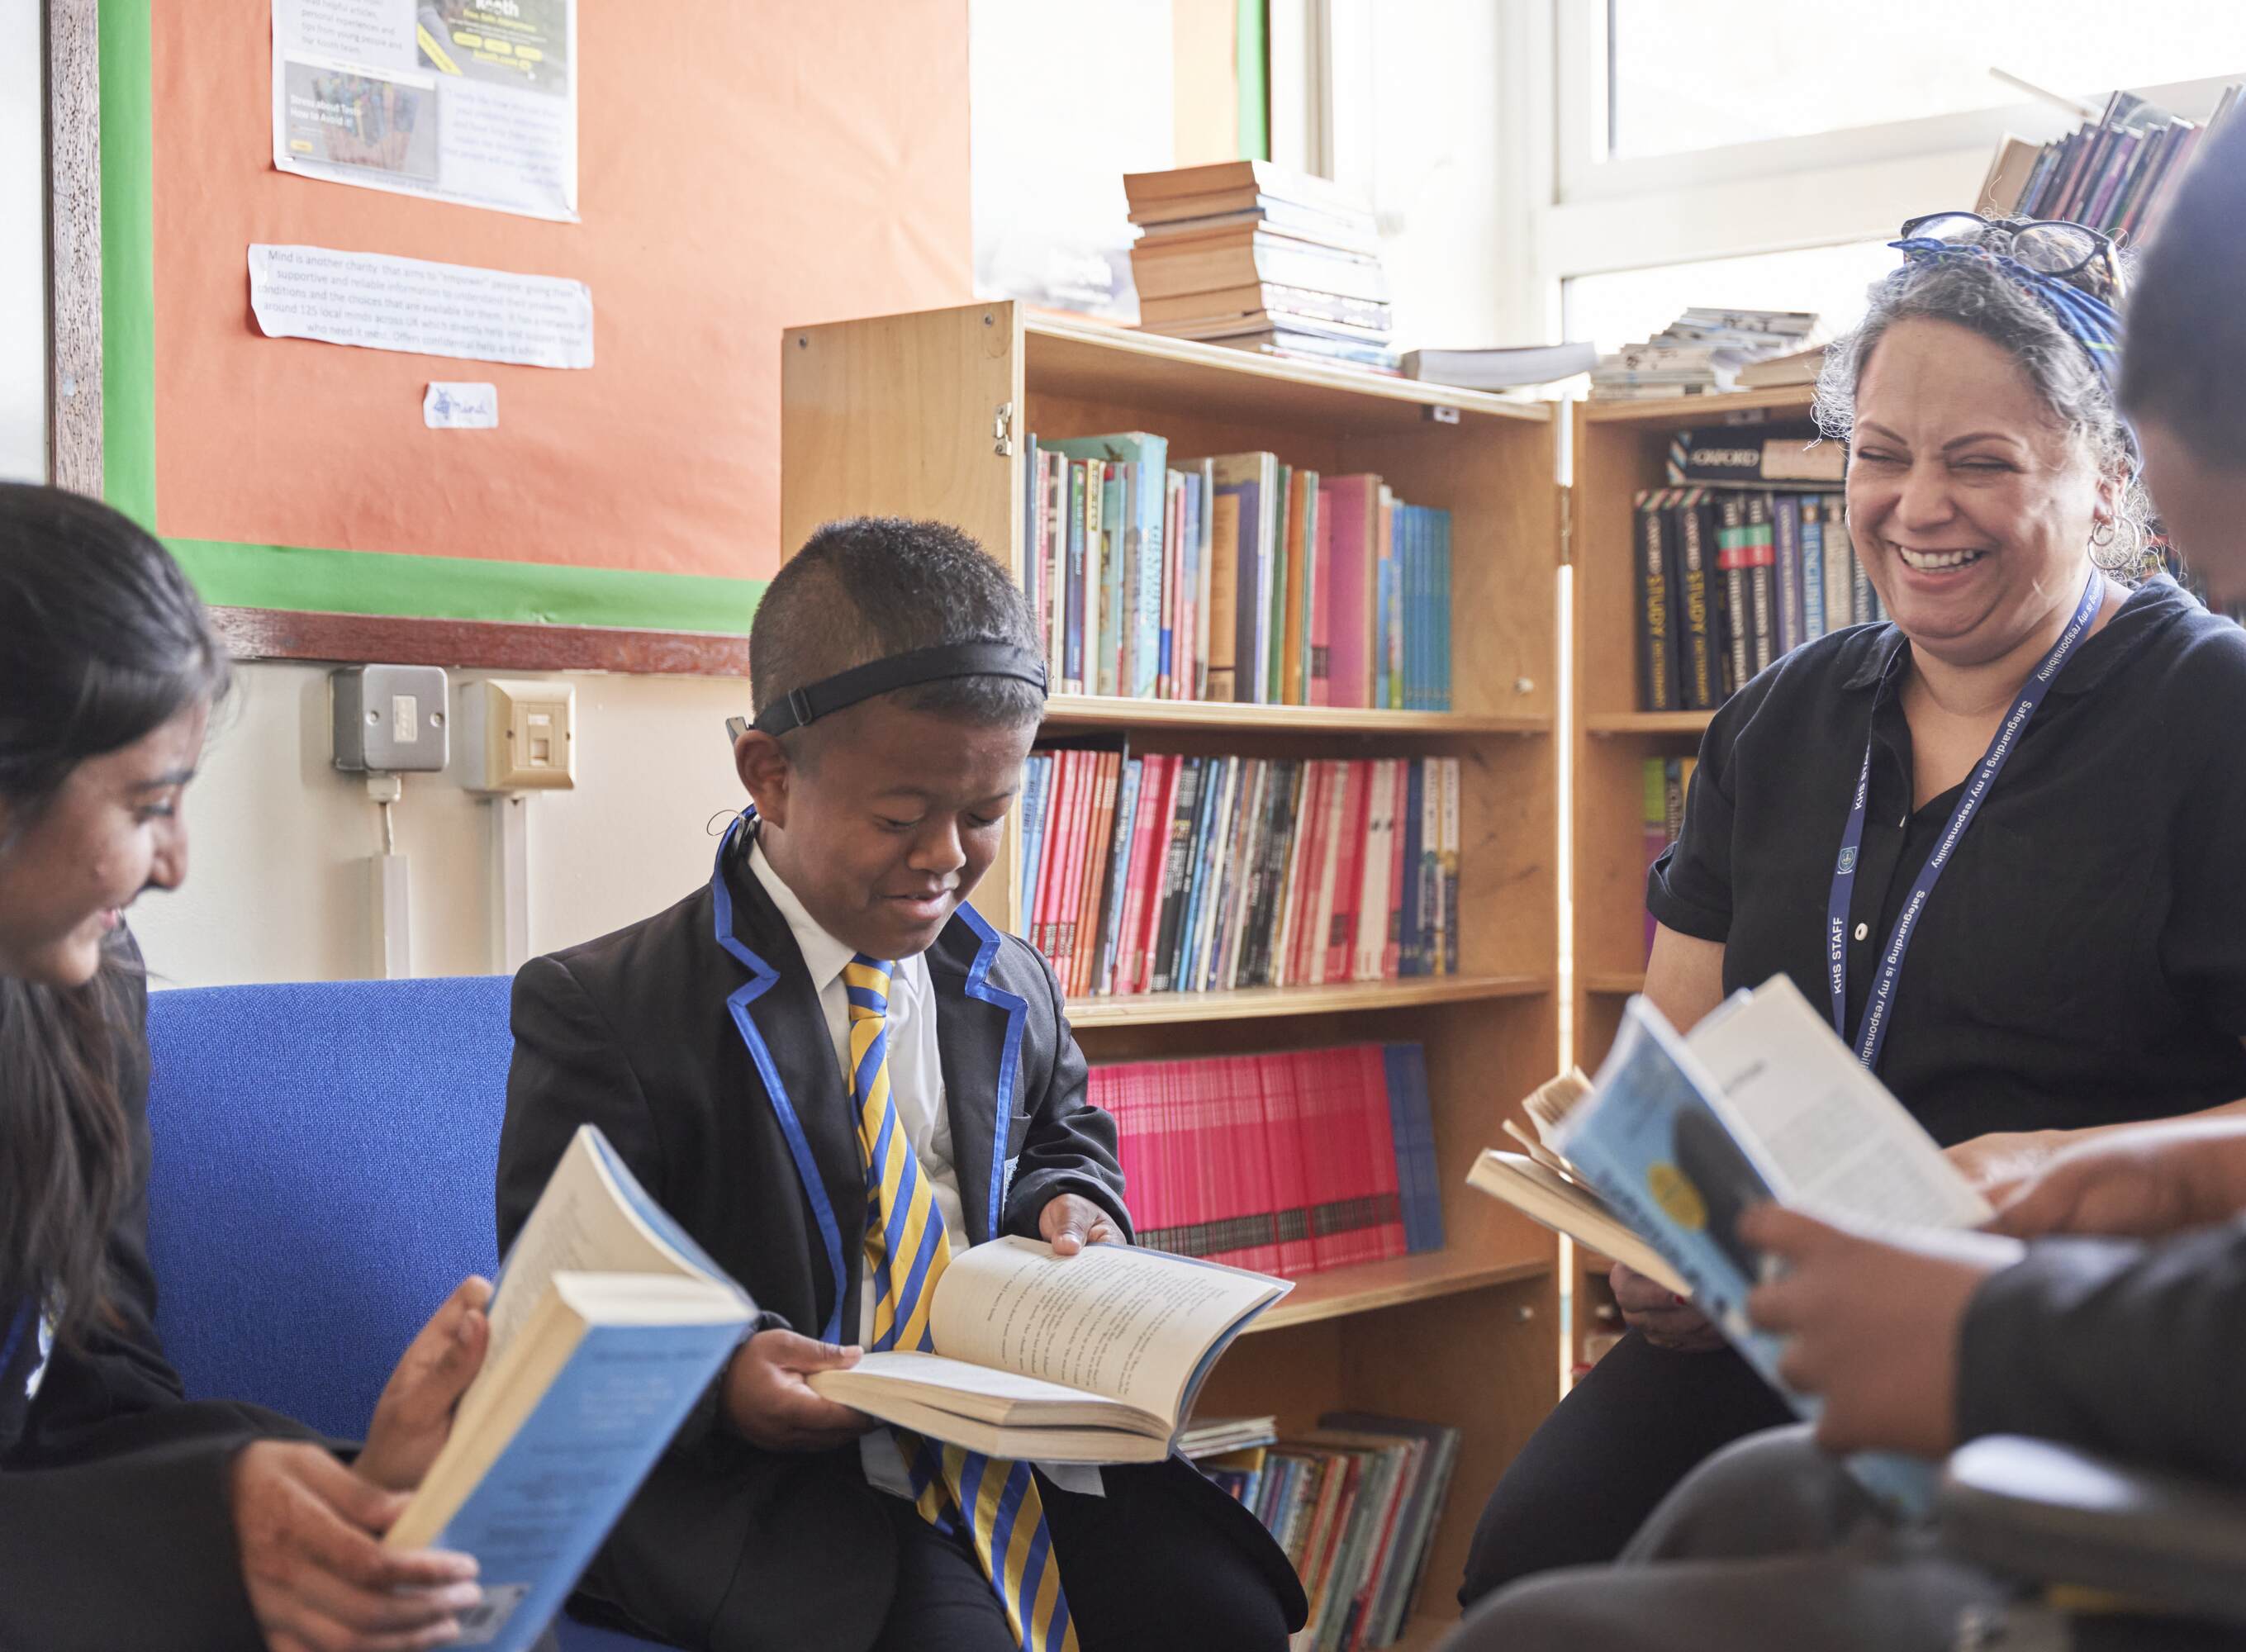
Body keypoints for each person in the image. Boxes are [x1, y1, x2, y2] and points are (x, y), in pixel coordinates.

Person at [1448, 31, 2246, 1649]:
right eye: (1881, 455)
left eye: (1982, 462)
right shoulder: (1779, 723)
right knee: (1555, 1548)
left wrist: (2055, 1233)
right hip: (1832, 1309)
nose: (1918, 506)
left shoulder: (2239, 719)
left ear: (2108, 487)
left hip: (2095, 1350)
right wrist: (1656, 1228)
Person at [496, 516, 1305, 1652]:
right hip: (776, 1493)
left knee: (1226, 1617)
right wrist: (727, 1375)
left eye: (986, 815)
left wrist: (1074, 1210)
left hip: (1006, 1443)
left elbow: (1061, 1136)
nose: (944, 857)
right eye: (899, 815)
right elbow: (566, 1304)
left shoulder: (1003, 977)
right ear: (769, 775)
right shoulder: (609, 1011)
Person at [0, 483, 494, 1652]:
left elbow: (87, 1393)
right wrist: (201, 1533)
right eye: (149, 805)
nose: (176, 866)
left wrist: (324, 1492)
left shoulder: (83, 994)